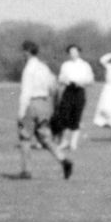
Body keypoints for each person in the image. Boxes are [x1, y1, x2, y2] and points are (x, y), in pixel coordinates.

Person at [15, 40, 72, 180]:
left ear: (27, 52)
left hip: (32, 103)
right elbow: (53, 85)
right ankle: (63, 159)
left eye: (23, 52)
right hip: (44, 104)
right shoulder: (44, 67)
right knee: (45, 137)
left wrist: (21, 111)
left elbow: (26, 91)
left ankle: (26, 171)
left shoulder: (28, 69)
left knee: (25, 137)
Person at [54, 44, 93, 150]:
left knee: (76, 116)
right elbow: (60, 78)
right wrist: (64, 80)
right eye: (71, 52)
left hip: (79, 91)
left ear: (78, 52)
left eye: (75, 52)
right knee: (65, 115)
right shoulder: (66, 65)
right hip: (68, 91)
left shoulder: (85, 65)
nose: (73, 54)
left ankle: (73, 142)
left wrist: (82, 82)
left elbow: (90, 79)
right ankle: (64, 141)